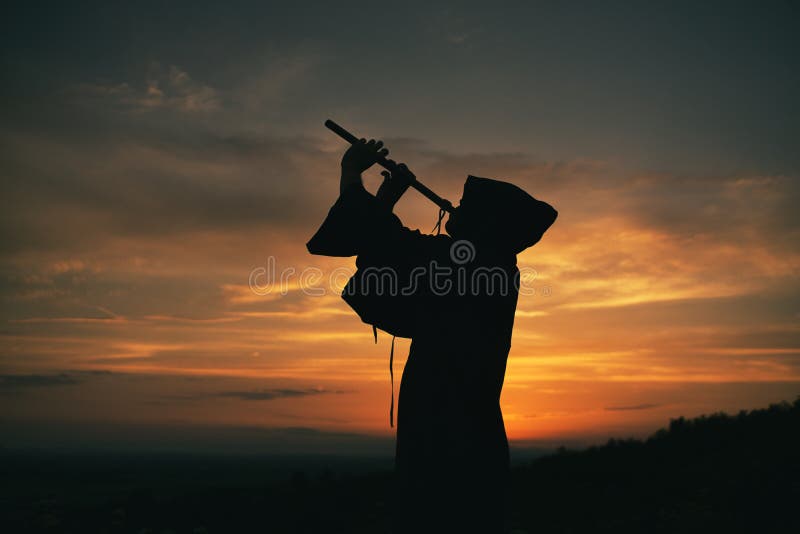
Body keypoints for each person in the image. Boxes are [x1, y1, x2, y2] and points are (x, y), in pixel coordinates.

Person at [307, 138, 557, 533]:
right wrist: (385, 198)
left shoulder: (474, 265)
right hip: (464, 429)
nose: (455, 208)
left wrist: (352, 173)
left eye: (467, 206)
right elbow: (390, 244)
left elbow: (386, 242)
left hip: (448, 433)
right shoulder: (488, 265)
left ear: (485, 223)